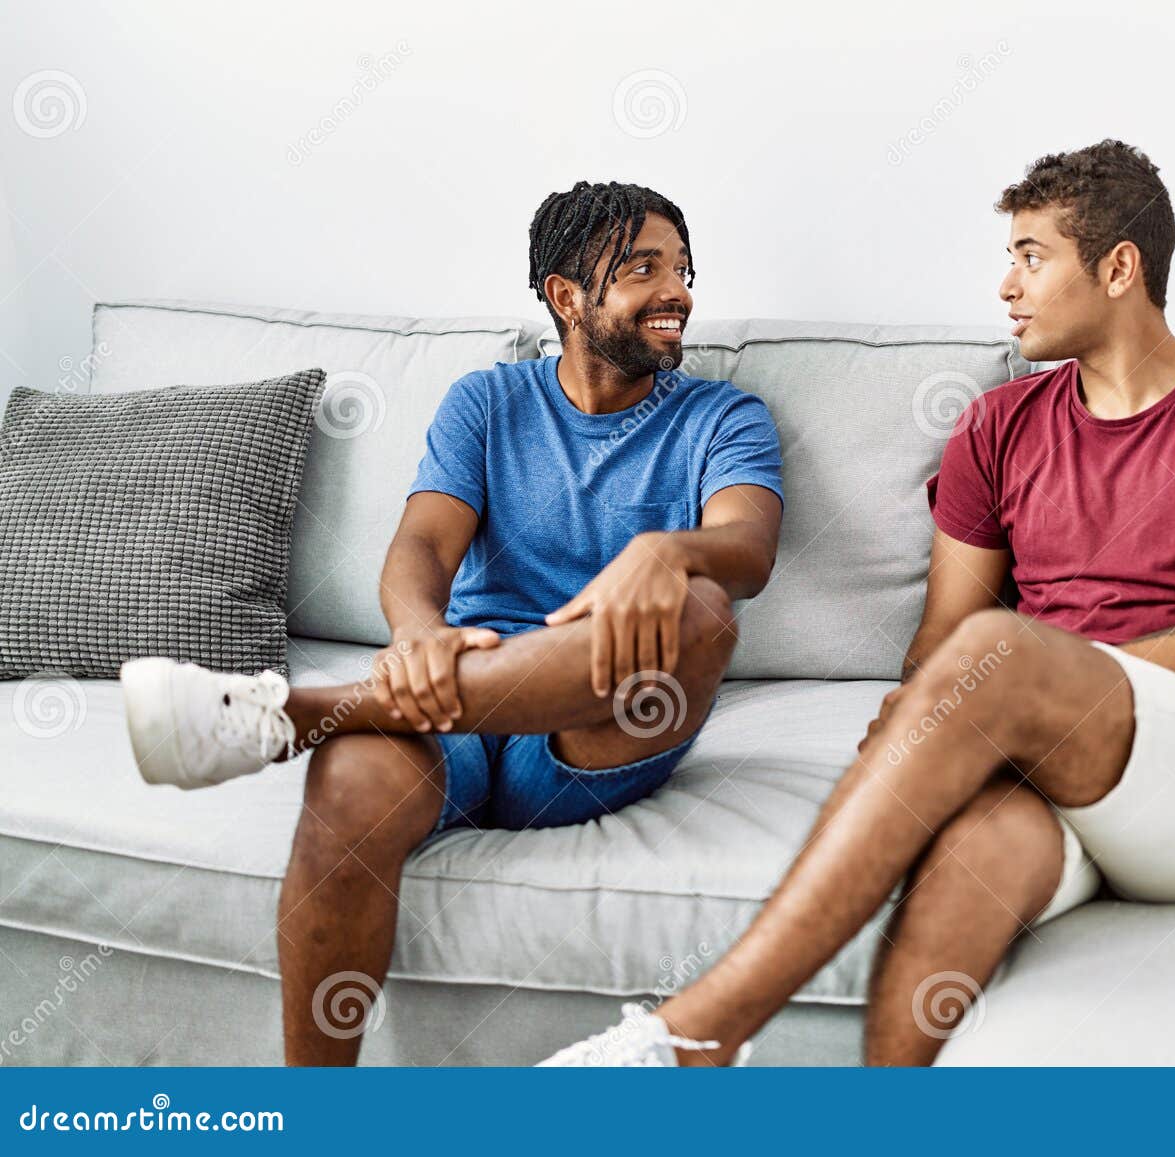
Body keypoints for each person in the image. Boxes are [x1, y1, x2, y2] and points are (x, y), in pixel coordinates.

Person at [543, 141, 1175, 1067]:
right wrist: (947, 710)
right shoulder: (997, 426)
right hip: (1040, 763)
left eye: (1031, 257)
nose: (1007, 286)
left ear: (1119, 268)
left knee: (999, 655)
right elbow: (940, 640)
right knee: (969, 865)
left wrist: (1016, 686)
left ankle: (698, 1032)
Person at [119, 180, 784, 1066]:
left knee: (701, 607)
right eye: (643, 270)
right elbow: (423, 546)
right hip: (451, 701)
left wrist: (669, 550)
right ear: (567, 296)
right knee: (350, 782)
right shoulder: (487, 402)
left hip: (595, 723)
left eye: (683, 270)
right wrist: (418, 635)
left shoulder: (722, 416)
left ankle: (299, 712)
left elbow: (748, 548)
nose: (678, 293)